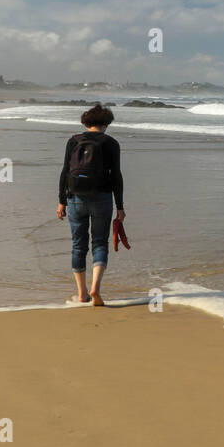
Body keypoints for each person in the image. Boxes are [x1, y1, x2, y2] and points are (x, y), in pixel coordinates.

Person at [57, 103, 125, 306]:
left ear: (87, 122)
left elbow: (64, 172)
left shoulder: (73, 141)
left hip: (75, 198)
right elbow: (117, 176)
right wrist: (120, 206)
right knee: (99, 243)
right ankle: (96, 287)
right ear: (105, 123)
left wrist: (61, 201)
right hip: (102, 198)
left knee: (78, 246)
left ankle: (82, 293)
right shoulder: (111, 143)